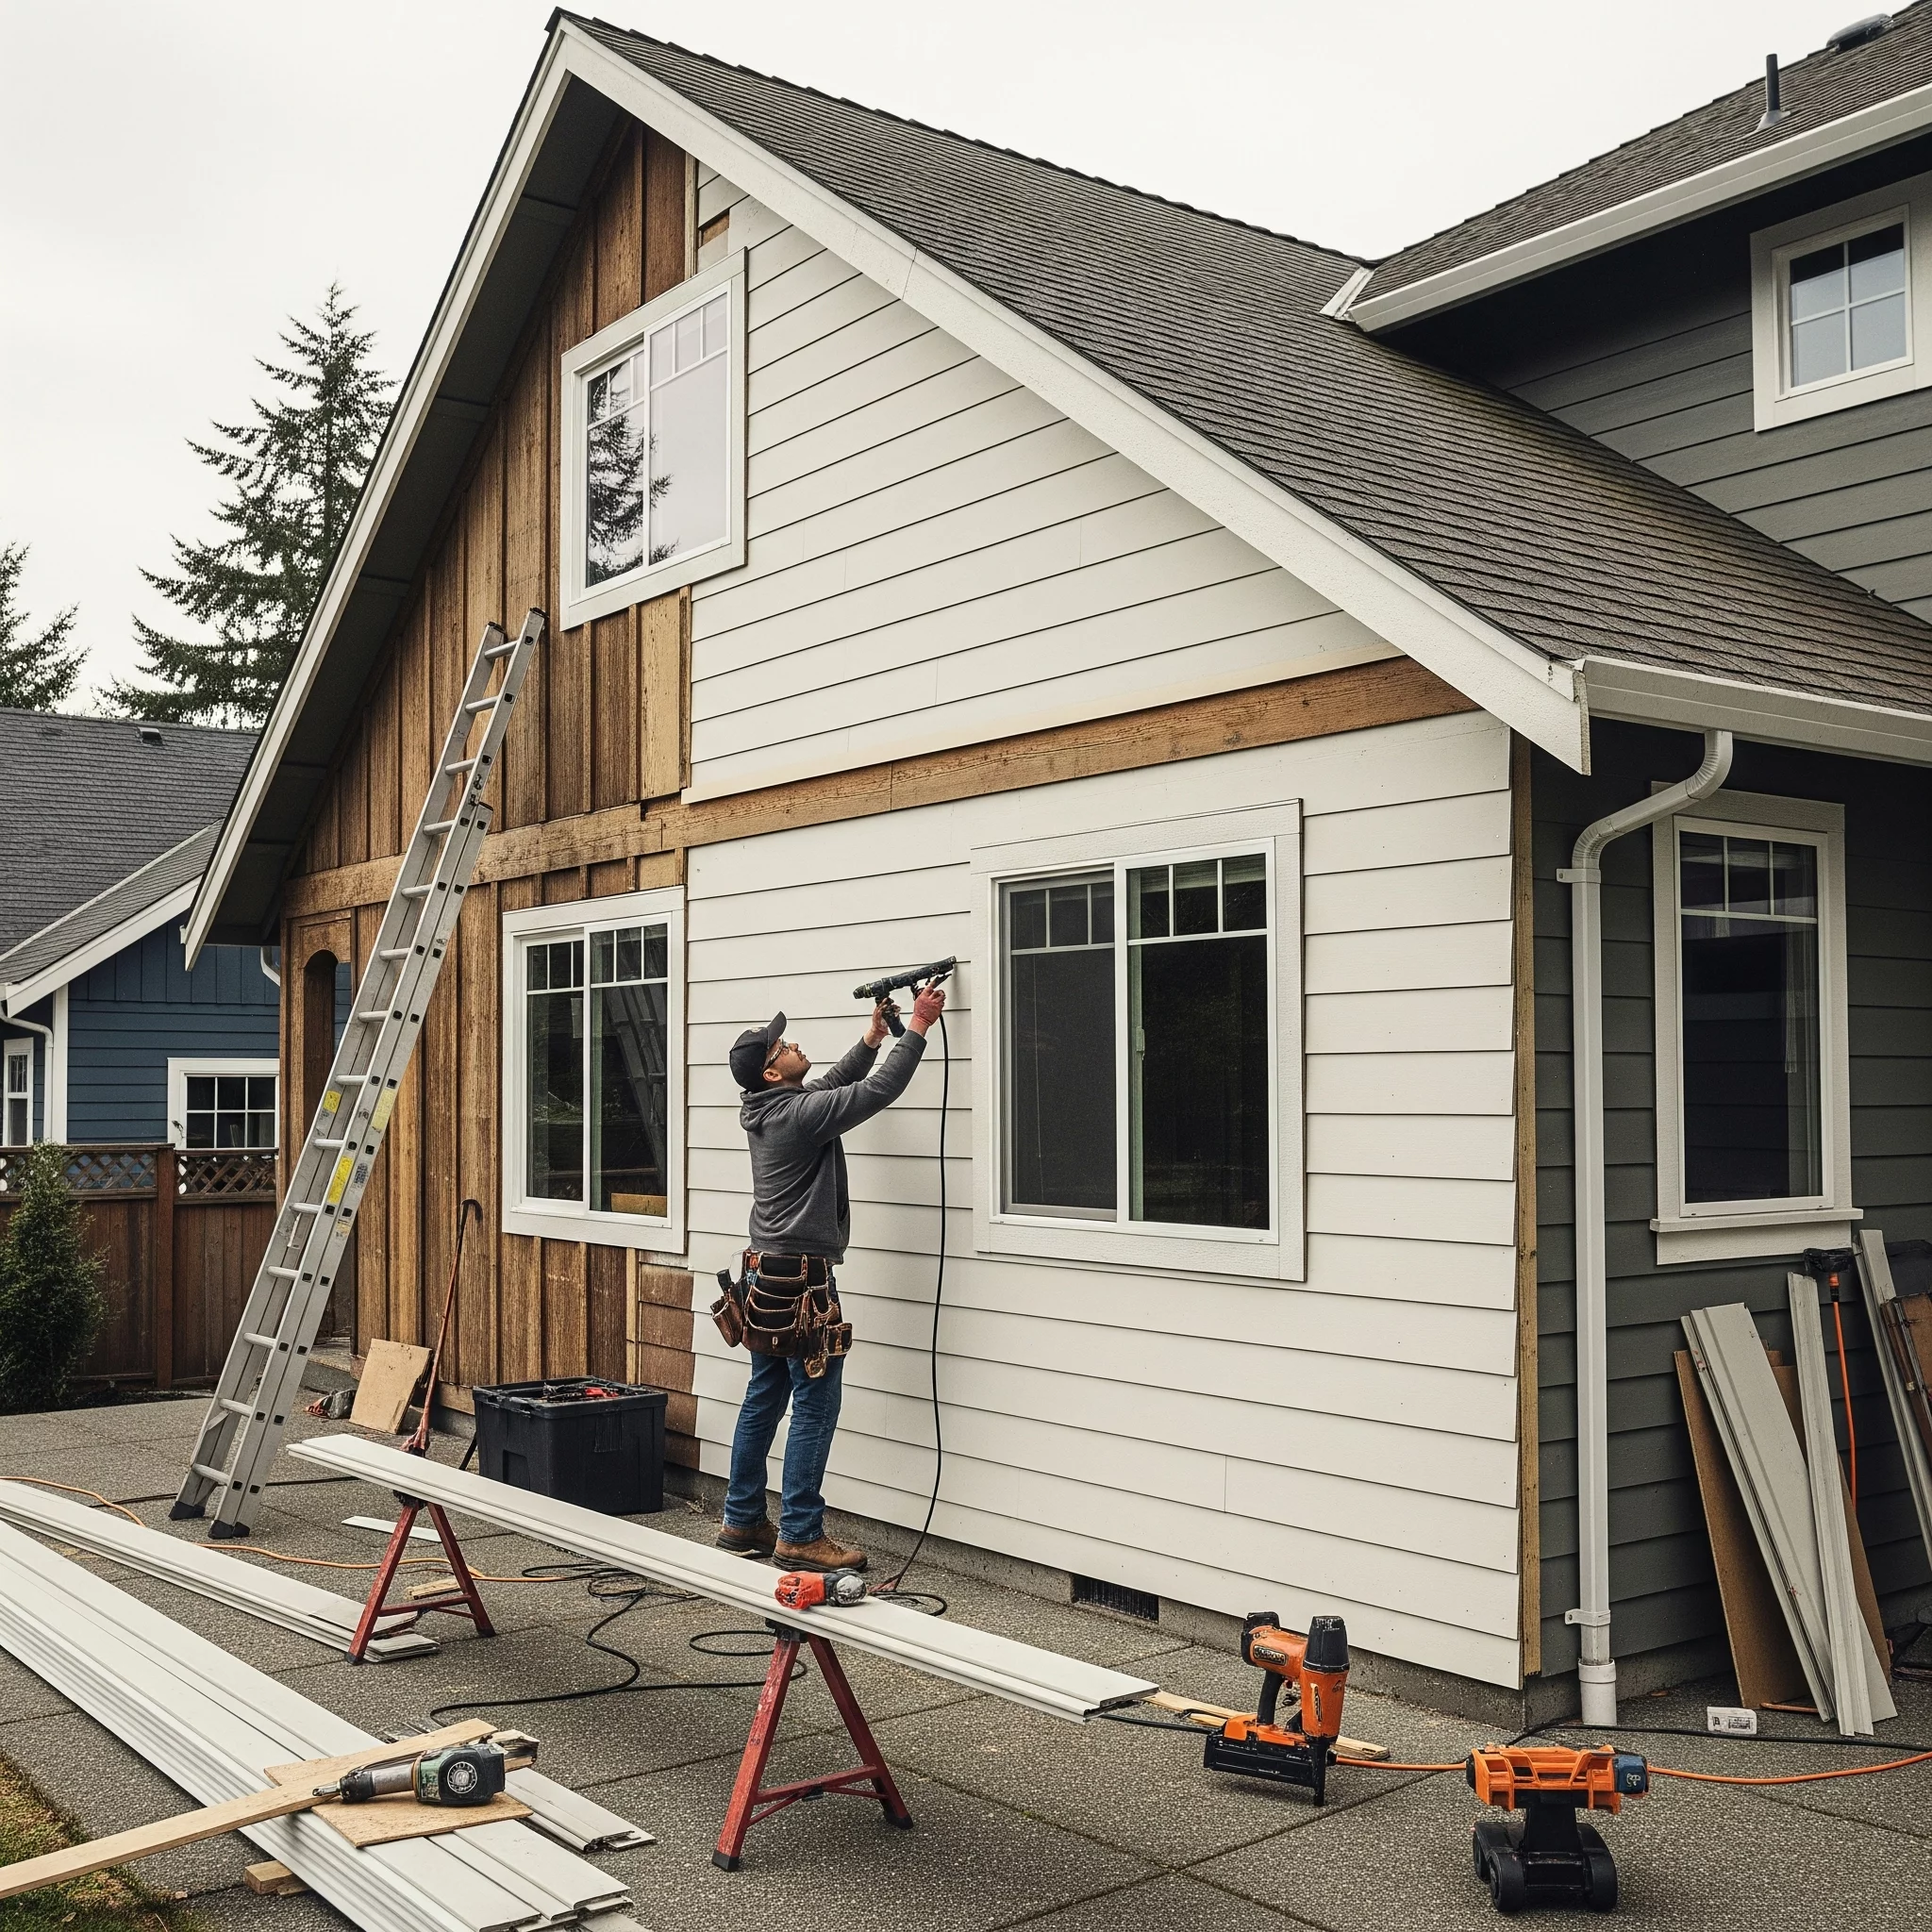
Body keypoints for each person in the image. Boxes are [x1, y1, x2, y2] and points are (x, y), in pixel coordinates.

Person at [716, 984, 946, 1572]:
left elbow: (835, 1081)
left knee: (765, 1394)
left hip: (766, 1272)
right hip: (802, 1282)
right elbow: (875, 1091)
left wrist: (872, 1035)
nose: (791, 1041)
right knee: (816, 1399)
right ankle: (799, 1533)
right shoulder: (797, 1115)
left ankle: (742, 1520)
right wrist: (918, 1025)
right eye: (781, 1045)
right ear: (772, 1074)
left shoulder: (775, 1109)